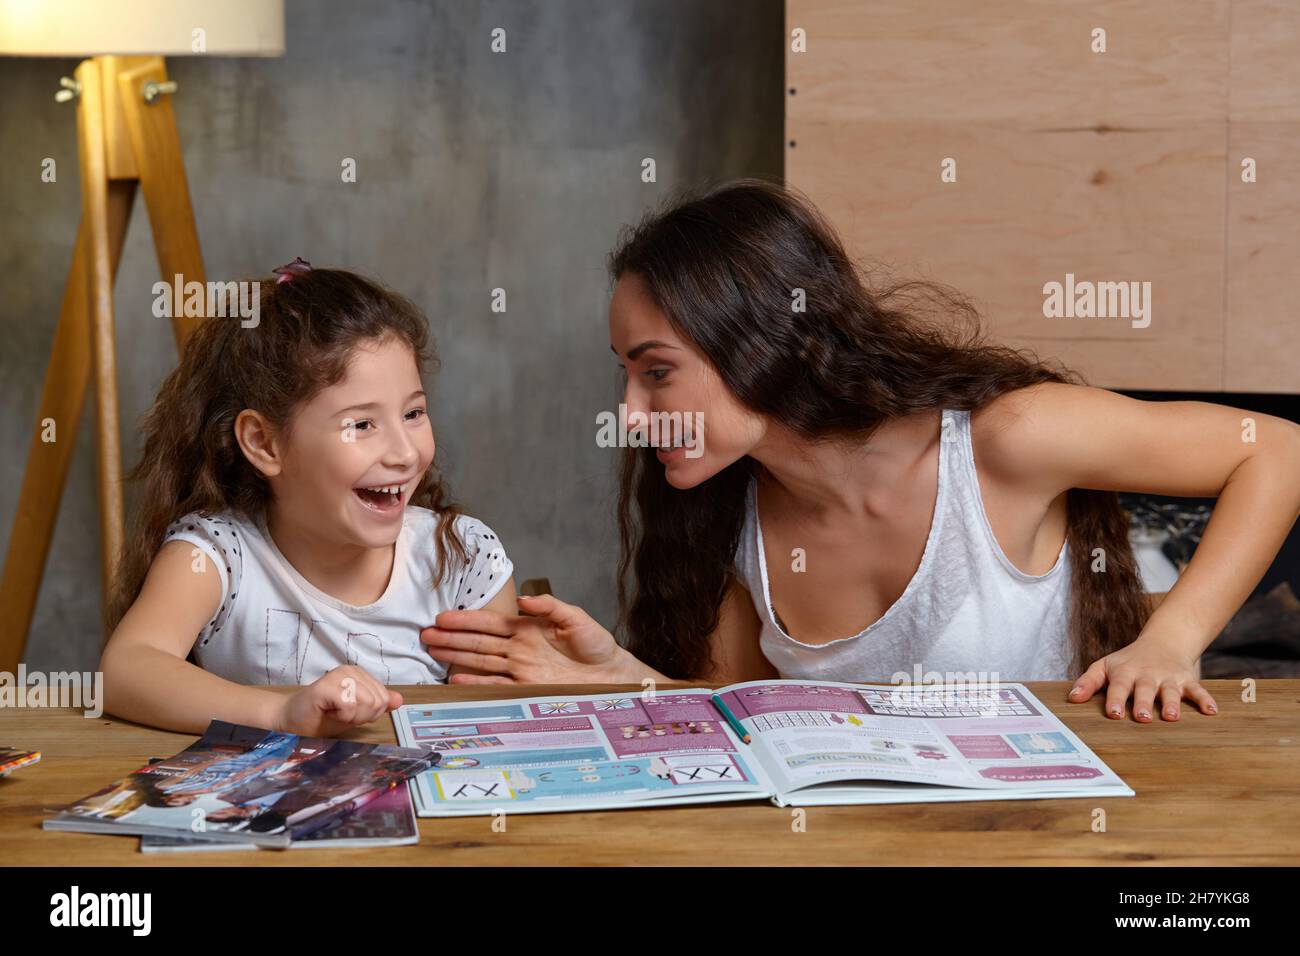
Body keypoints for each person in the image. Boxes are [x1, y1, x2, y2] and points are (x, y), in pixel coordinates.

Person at [423, 179, 1300, 724]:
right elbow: (742, 724)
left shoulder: (1006, 441)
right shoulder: (727, 517)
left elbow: (1279, 452)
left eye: (657, 373)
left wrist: (1173, 639)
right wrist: (617, 678)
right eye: (626, 375)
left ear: (758, 343)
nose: (632, 414)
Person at [101, 262, 515, 735]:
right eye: (361, 424)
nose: (404, 452)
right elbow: (127, 669)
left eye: (414, 413)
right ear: (265, 443)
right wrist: (280, 713)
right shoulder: (218, 555)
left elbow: (492, 720)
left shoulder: (461, 558)